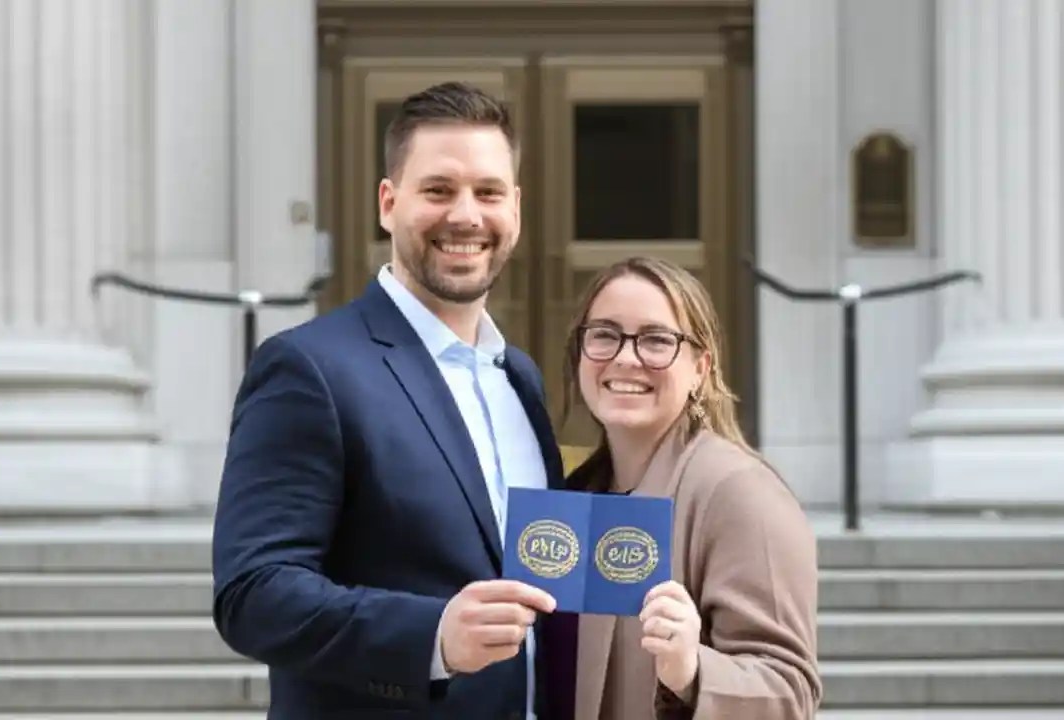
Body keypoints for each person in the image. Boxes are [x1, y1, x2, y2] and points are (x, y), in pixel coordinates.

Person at [211, 81, 566, 719]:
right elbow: (253, 594)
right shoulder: (309, 368)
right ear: (388, 201)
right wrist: (432, 637)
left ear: (514, 209)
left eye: (487, 193)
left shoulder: (520, 378)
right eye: (438, 190)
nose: (466, 216)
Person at [550, 256, 822, 719]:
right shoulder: (573, 496)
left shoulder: (742, 494)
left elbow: (789, 693)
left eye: (657, 340)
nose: (625, 357)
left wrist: (692, 670)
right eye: (604, 335)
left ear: (700, 366)